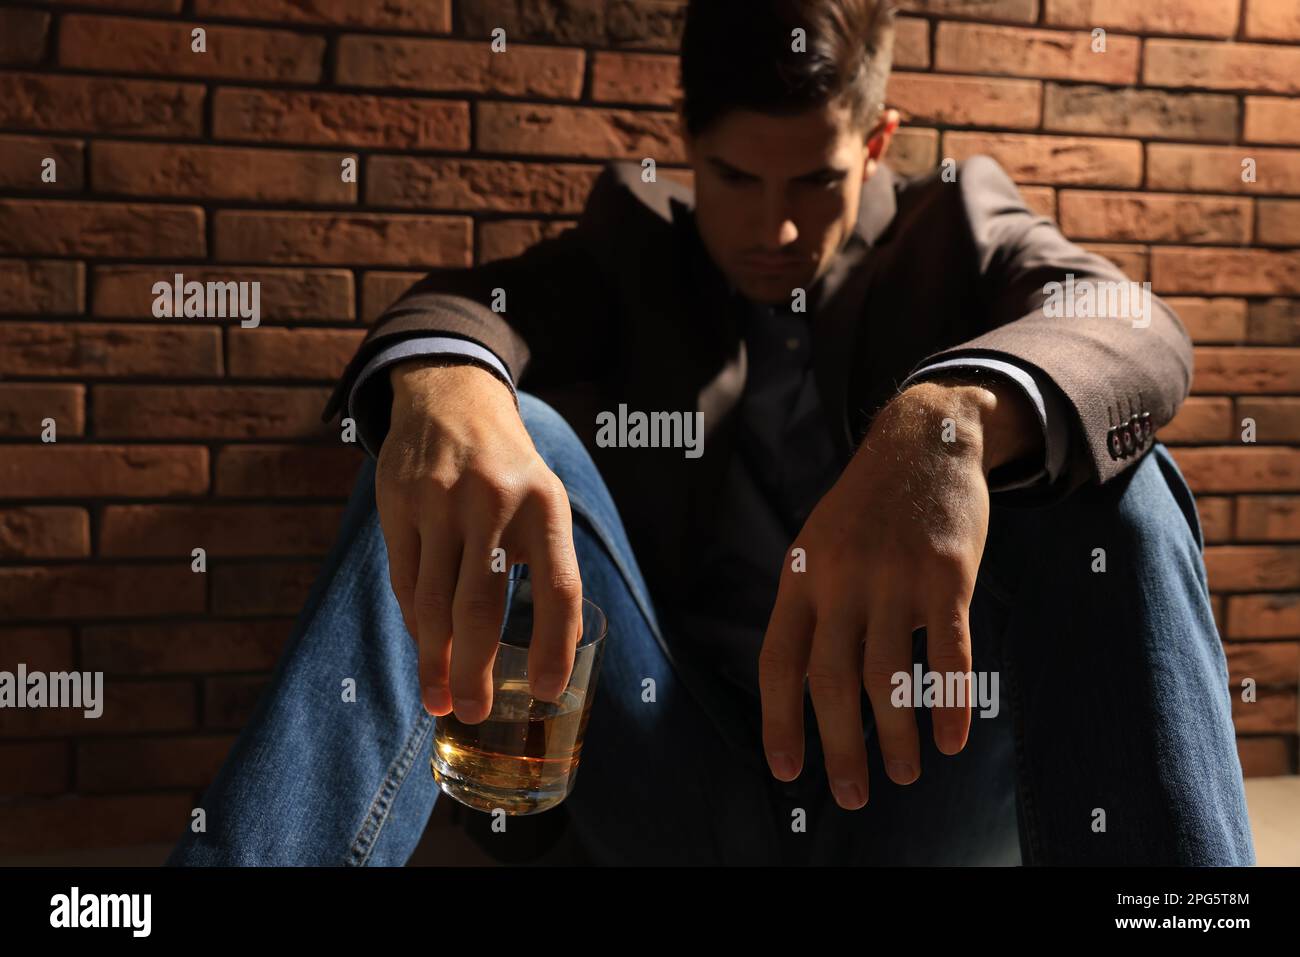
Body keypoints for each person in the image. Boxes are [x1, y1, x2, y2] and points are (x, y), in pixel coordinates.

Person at [167, 0, 1255, 866]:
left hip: (909, 783)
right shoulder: (635, 253)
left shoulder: (957, 226)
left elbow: (1127, 325)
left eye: (816, 182)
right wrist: (442, 381)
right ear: (687, 146)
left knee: (1120, 487)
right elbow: (461, 310)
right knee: (488, 426)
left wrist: (949, 426)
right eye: (735, 178)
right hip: (673, 772)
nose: (776, 227)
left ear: (876, 143)